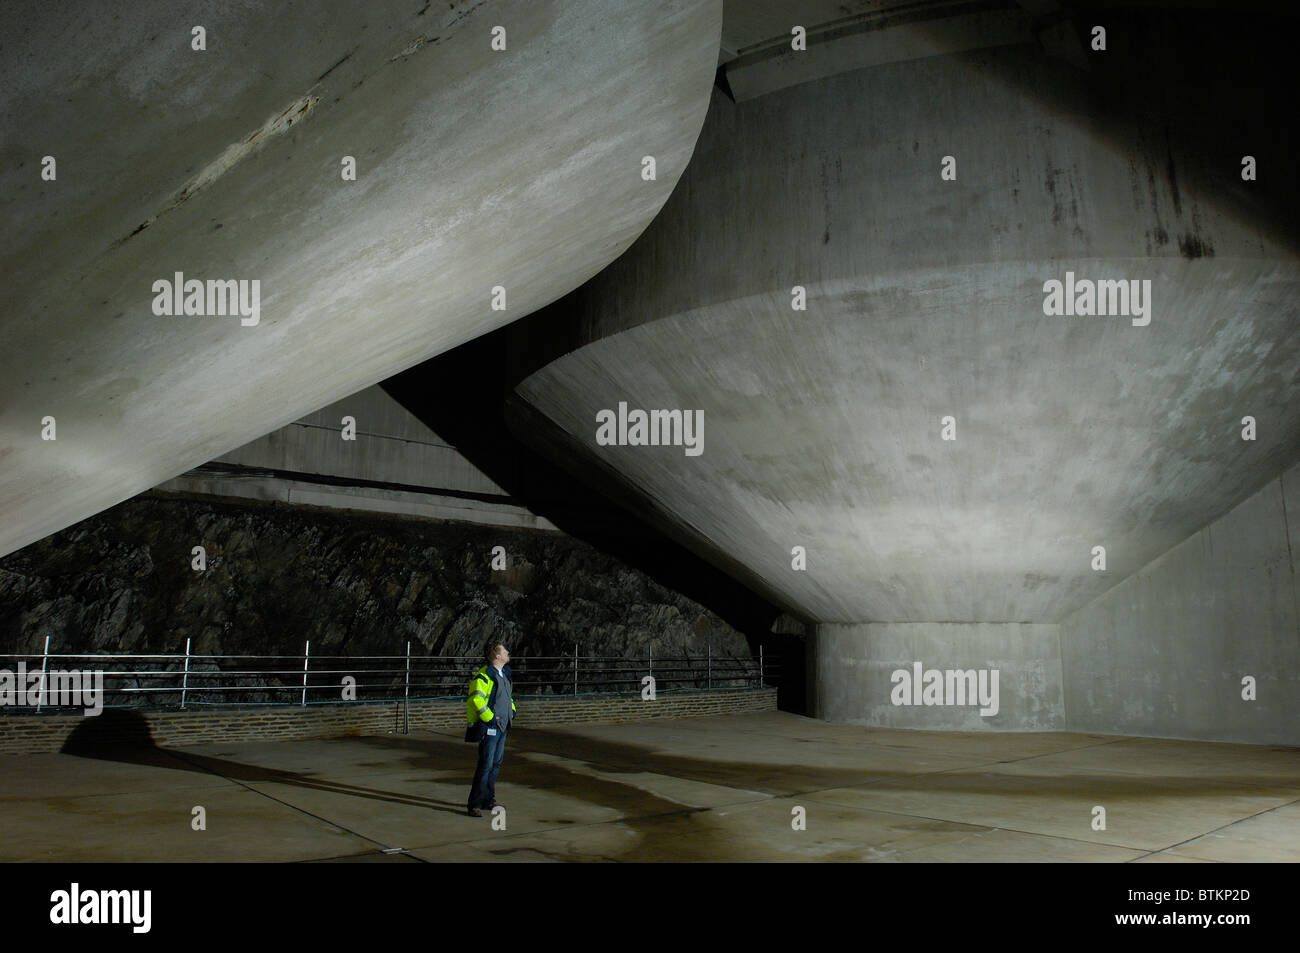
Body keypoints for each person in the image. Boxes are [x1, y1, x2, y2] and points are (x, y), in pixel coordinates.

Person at [465, 641, 516, 817]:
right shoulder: (484, 676)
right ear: (497, 656)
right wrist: (491, 719)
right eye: (504, 651)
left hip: (502, 727)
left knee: (495, 764)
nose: (508, 652)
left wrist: (512, 712)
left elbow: (507, 698)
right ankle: (475, 804)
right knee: (485, 765)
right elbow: (476, 700)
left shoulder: (505, 675)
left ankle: (488, 799)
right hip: (491, 727)